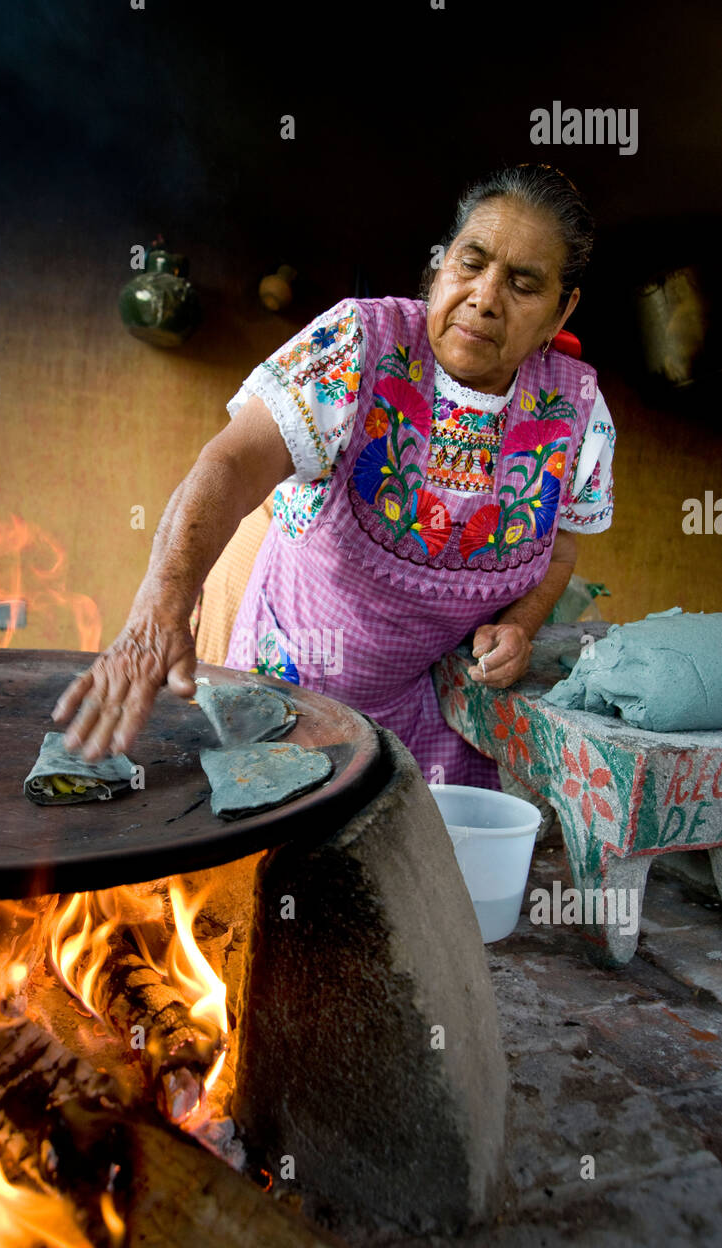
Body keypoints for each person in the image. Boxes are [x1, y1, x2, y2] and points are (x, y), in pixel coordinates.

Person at [52, 163, 614, 787]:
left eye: (523, 283)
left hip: (428, 710)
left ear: (563, 310)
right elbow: (230, 464)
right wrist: (160, 608)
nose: (484, 297)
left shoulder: (576, 413)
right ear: (441, 263)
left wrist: (520, 626)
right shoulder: (357, 342)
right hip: (287, 690)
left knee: (410, 869)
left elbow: (559, 547)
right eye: (471, 262)